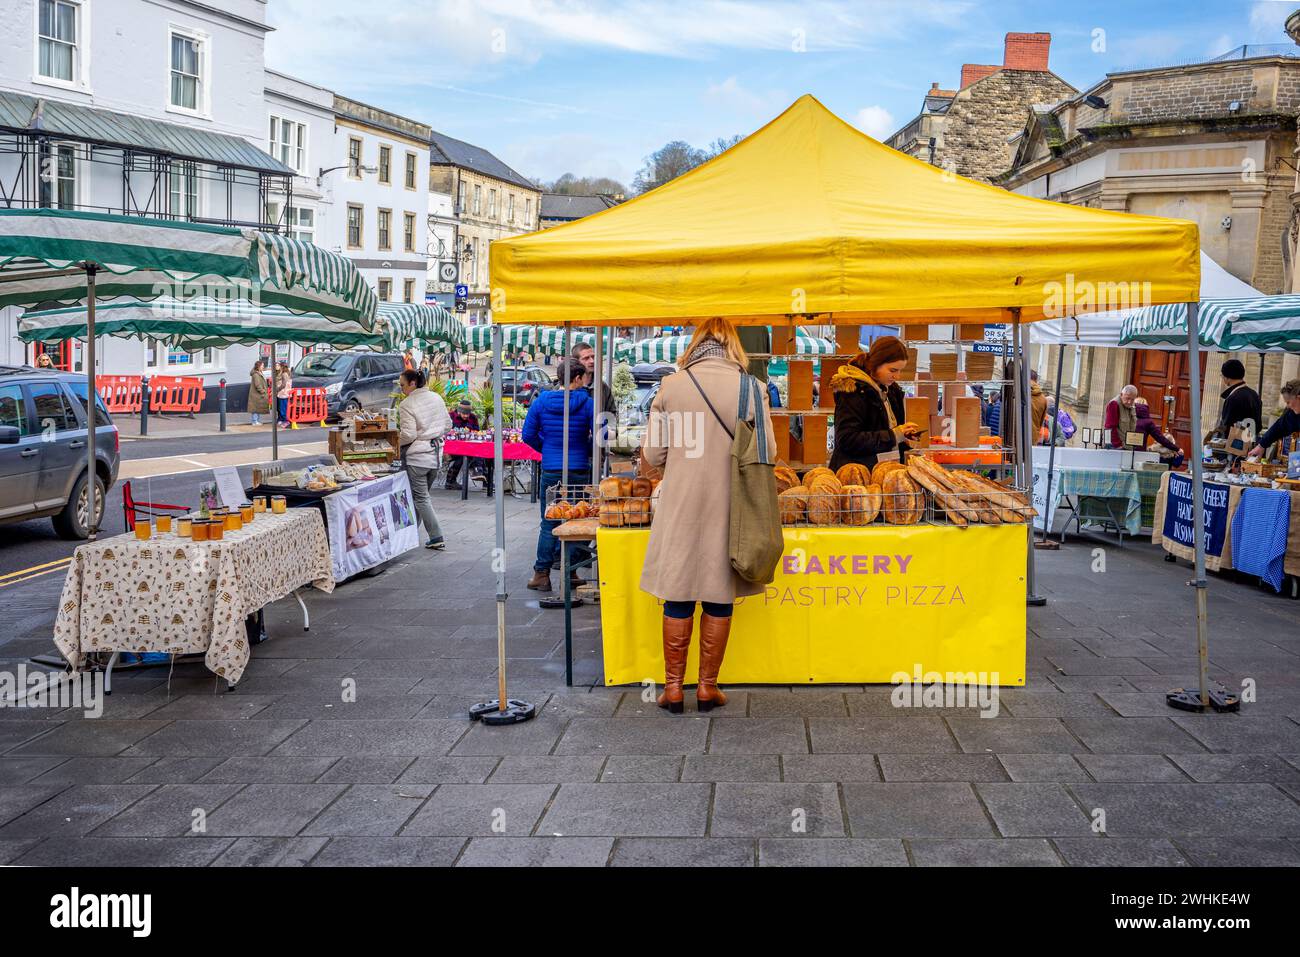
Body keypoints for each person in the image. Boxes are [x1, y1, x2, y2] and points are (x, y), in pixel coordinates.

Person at [641, 317, 775, 715]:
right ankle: (706, 688)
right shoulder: (753, 389)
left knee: (678, 592)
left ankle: (672, 689)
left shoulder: (672, 385)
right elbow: (768, 451)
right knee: (719, 593)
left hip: (680, 503)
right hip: (731, 504)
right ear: (733, 344)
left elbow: (653, 456)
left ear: (696, 343)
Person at [522, 358, 594, 592]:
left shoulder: (541, 401)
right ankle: (571, 570)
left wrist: (547, 449)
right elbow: (601, 435)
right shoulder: (588, 403)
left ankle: (541, 574)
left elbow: (528, 435)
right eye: (583, 377)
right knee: (576, 519)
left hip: (551, 469)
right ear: (576, 378)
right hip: (578, 468)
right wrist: (586, 447)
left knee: (549, 521)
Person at [828, 336, 922, 471]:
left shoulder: (891, 390)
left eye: (900, 370)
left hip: (883, 470)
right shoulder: (853, 392)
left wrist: (904, 438)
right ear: (875, 364)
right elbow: (847, 440)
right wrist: (894, 435)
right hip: (856, 474)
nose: (897, 376)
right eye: (893, 370)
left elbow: (884, 429)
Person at [397, 369, 452, 549]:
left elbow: (408, 434)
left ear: (413, 383)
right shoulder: (436, 398)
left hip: (418, 458)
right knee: (421, 498)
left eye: (403, 385)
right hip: (436, 456)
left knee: (421, 499)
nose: (401, 389)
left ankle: (436, 536)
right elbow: (447, 425)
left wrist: (395, 442)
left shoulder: (406, 404)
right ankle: (411, 533)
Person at [1248, 378, 1300, 459]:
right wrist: (1261, 445)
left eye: (1288, 402)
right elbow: (1278, 427)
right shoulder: (1291, 413)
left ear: (1298, 397)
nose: (1288, 406)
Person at [1217, 358, 1262, 440]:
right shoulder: (1254, 394)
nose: (1222, 378)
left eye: (1222, 375)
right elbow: (1258, 426)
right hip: (1252, 444)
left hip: (1235, 446)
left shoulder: (1233, 398)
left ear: (1227, 377)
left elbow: (1226, 427)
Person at [443, 398, 481, 491]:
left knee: (479, 452)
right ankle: (450, 481)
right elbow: (444, 430)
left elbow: (477, 431)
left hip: (469, 446)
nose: (466, 416)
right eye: (464, 414)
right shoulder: (451, 416)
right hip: (451, 449)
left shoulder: (473, 417)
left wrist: (472, 431)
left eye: (467, 414)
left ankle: (480, 475)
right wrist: (451, 432)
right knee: (462, 456)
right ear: (459, 411)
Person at [1133, 401, 1185, 468]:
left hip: (1124, 449)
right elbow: (1160, 438)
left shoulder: (1129, 416)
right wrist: (1177, 449)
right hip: (1139, 453)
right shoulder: (1148, 422)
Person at [572, 342, 617, 419]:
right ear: (576, 361)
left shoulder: (602, 387)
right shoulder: (566, 386)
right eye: (586, 358)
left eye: (593, 357)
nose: (592, 361)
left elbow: (612, 414)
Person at [248, 359, 270, 426]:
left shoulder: (259, 373)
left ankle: (256, 420)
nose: (263, 367)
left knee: (258, 407)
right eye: (262, 365)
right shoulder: (256, 374)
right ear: (259, 366)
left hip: (258, 394)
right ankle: (254, 421)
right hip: (256, 394)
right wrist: (263, 391)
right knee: (255, 408)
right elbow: (257, 385)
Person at [274, 361, 292, 429]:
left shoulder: (284, 374)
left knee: (283, 408)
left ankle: (286, 421)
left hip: (283, 393)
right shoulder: (287, 373)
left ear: (282, 367)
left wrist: (278, 389)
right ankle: (282, 420)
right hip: (285, 393)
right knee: (283, 408)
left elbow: (284, 384)